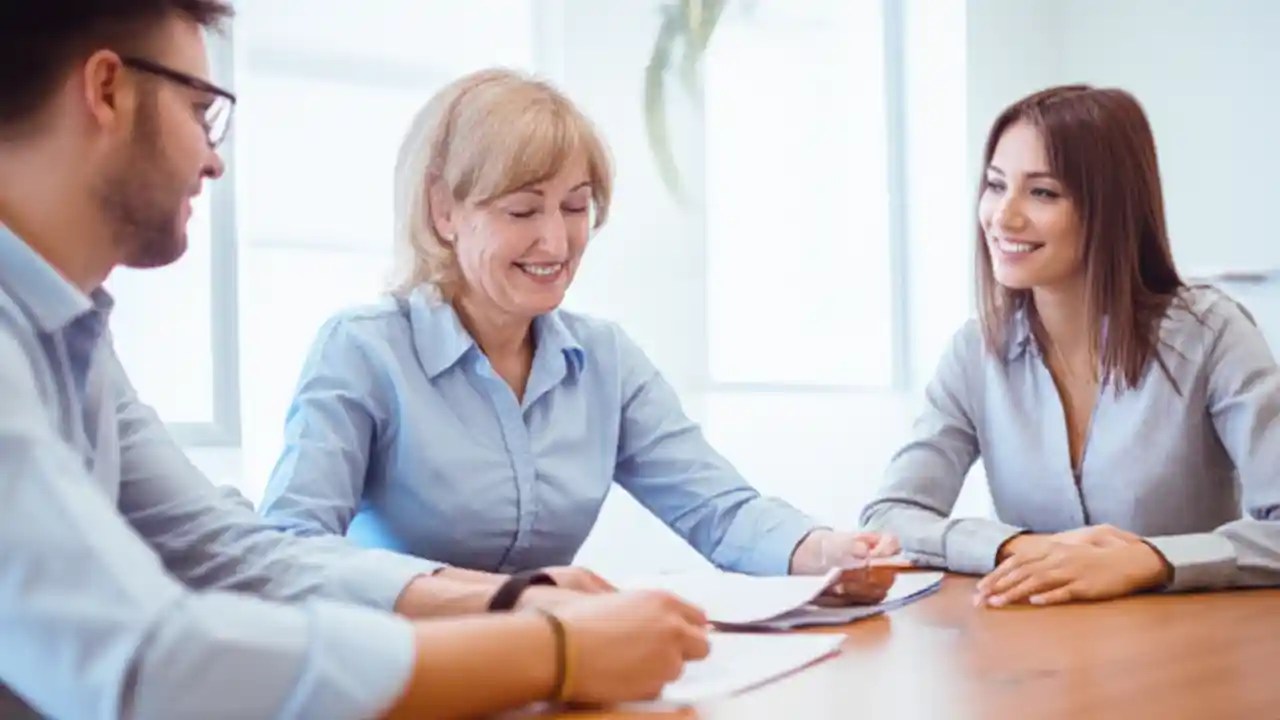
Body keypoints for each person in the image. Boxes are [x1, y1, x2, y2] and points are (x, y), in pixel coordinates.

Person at [0, 4, 712, 718]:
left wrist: (516, 601)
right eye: (200, 109)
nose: (213, 159)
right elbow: (154, 666)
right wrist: (552, 652)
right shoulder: (364, 344)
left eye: (574, 208)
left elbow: (237, 555)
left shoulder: (72, 337)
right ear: (106, 90)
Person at [258, 67, 899, 597]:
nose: (557, 241)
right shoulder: (364, 349)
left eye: (574, 206)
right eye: (522, 210)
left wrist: (826, 554)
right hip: (402, 673)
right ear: (443, 210)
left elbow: (719, 509)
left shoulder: (603, 359)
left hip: (551, 664)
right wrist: (503, 598)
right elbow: (288, 549)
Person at [861, 84, 1280, 608]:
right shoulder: (976, 353)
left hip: (1188, 658)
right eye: (995, 185)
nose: (1003, 217)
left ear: (1112, 208)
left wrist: (1150, 559)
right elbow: (891, 515)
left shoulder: (1211, 334)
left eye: (1042, 193)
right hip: (1034, 656)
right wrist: (1020, 548)